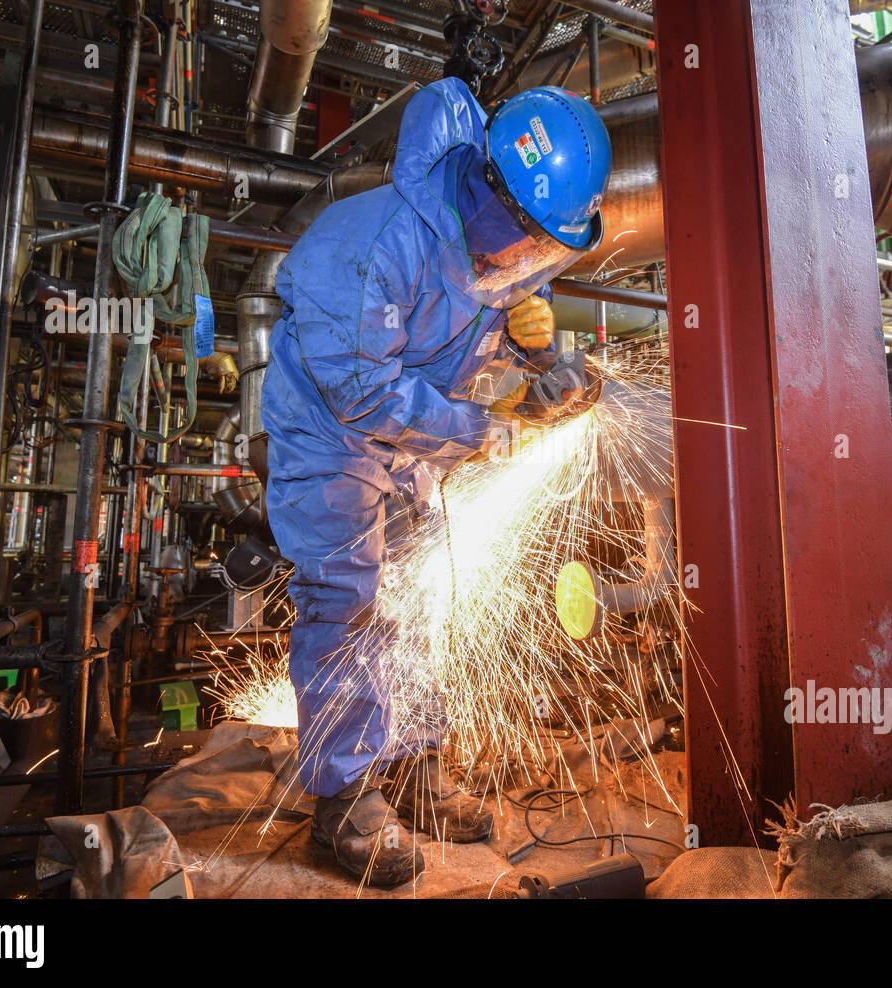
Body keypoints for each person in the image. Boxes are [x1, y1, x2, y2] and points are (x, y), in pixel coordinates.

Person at [261, 77, 612, 886]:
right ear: (496, 198)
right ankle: (344, 799)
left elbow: (505, 297)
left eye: (548, 251)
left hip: (415, 446)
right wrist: (487, 430)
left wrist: (545, 356)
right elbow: (361, 388)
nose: (532, 262)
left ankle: (415, 767)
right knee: (349, 606)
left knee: (421, 593)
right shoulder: (372, 241)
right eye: (533, 242)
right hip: (331, 440)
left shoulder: (501, 238)